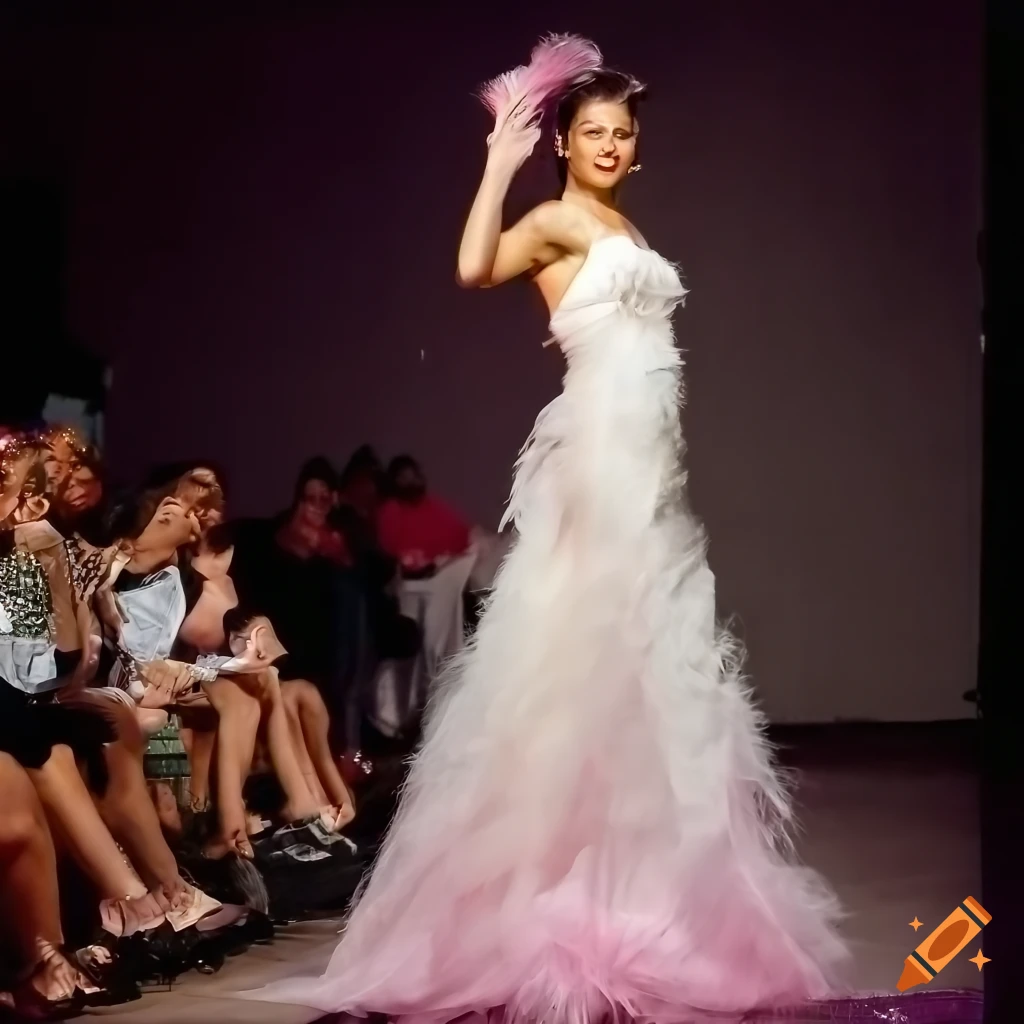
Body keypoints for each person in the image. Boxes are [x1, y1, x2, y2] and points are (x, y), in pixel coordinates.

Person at [247, 35, 847, 1022]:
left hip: (650, 468)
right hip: (600, 458)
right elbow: (474, 265)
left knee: (649, 677)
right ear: (563, 142)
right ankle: (553, 903)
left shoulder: (618, 221)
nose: (608, 146)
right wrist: (496, 164)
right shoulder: (560, 217)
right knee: (588, 658)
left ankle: (642, 899)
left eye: (621, 134)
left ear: (634, 149)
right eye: (593, 132)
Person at [376, 455, 471, 576]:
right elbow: (393, 550)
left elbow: (460, 532)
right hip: (418, 579)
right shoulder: (391, 510)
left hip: (450, 568)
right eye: (404, 477)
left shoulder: (432, 503)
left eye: (414, 475)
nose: (412, 481)